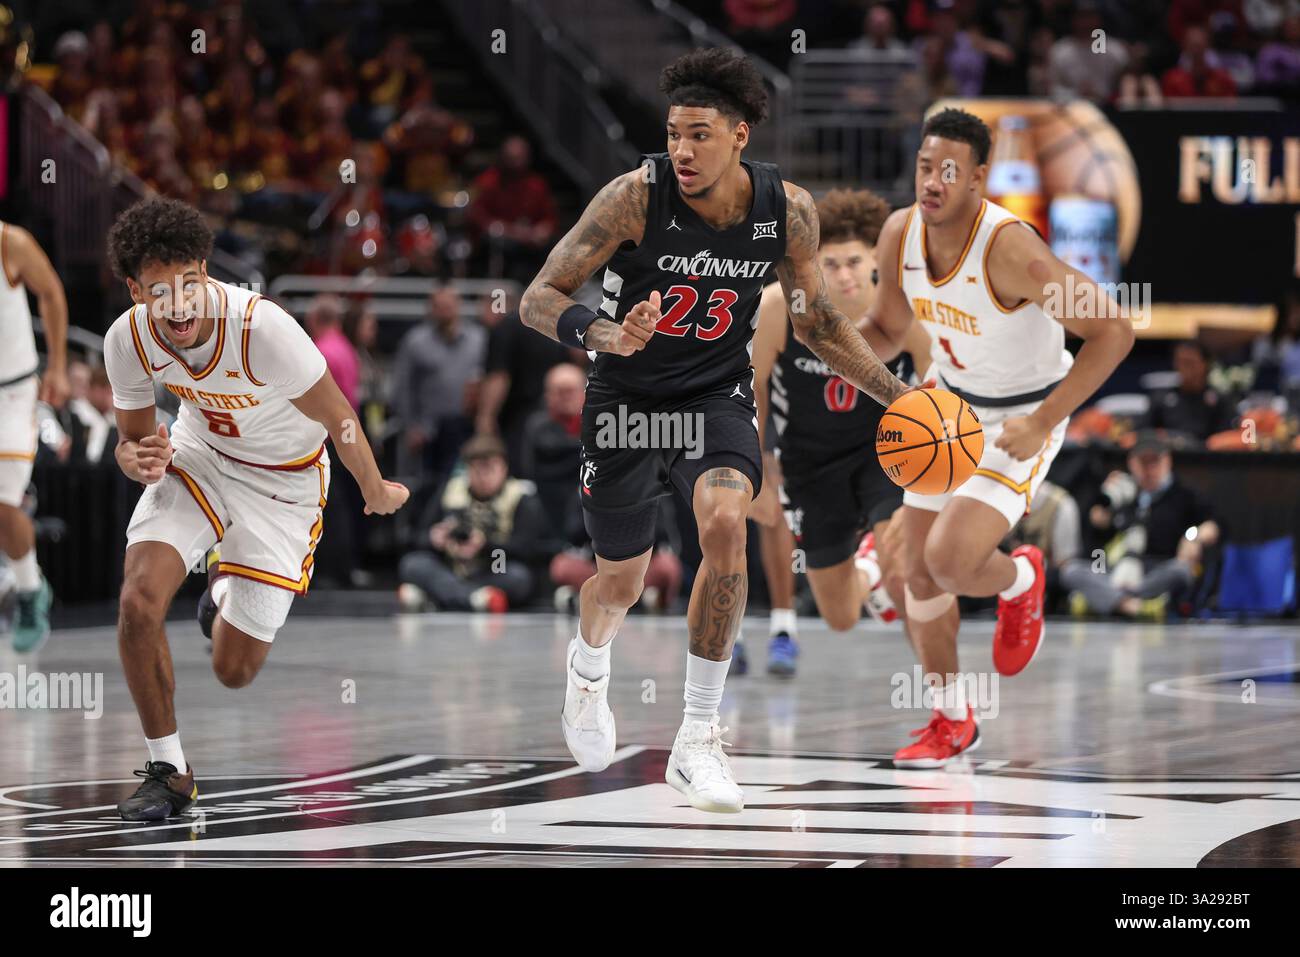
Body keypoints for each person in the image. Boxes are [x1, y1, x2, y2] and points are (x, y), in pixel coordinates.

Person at [519, 48, 914, 813]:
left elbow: (818, 322)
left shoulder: (787, 211)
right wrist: (603, 333)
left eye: (699, 135)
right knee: (621, 584)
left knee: (728, 524)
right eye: (673, 134)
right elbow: (539, 297)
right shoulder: (634, 198)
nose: (682, 150)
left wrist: (897, 396)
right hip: (626, 400)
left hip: (714, 396)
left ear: (740, 135)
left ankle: (698, 737)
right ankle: (589, 668)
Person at [102, 198, 408, 822]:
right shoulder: (126, 340)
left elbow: (341, 418)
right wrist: (135, 459)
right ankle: (170, 772)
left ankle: (221, 584)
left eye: (189, 282)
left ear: (206, 271)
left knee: (234, 670)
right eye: (160, 290)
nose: (179, 303)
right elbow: (133, 442)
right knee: (137, 600)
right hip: (200, 454)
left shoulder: (261, 328)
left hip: (283, 483)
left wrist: (374, 487)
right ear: (135, 291)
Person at [858, 108, 1133, 767]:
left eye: (949, 171)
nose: (933, 181)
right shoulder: (899, 233)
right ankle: (952, 719)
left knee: (951, 561)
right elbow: (888, 327)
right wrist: (823, 352)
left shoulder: (1010, 250)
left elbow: (1114, 330)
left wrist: (1042, 421)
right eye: (925, 167)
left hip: (1023, 415)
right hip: (949, 409)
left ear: (979, 178)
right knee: (916, 573)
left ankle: (1021, 578)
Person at [743, 187, 933, 678]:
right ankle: (867, 566)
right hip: (809, 463)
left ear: (875, 261)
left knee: (904, 572)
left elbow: (941, 389)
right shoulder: (778, 308)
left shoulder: (904, 310)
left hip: (887, 453)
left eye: (854, 262)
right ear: (813, 265)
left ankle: (946, 699)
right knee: (841, 616)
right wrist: (759, 468)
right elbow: (753, 388)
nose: (844, 275)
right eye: (831, 264)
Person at [0, 220, 68, 652]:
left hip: (12, 394)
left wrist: (58, 366)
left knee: (4, 504)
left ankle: (29, 590)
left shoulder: (10, 242)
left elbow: (51, 292)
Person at [1061, 433, 1217, 619]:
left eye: (1154, 462)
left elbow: (1212, 525)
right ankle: (1133, 606)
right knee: (1072, 570)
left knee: (1182, 570)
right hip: (1115, 569)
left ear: (1167, 461)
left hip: (1155, 569)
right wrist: (1101, 518)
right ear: (1132, 463)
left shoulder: (1184, 495)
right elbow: (1097, 548)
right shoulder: (1120, 492)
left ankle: (1104, 600)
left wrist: (1193, 537)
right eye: (1143, 462)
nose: (1149, 469)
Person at [397, 435, 554, 612]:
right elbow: (418, 536)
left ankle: (439, 597)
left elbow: (526, 549)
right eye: (477, 469)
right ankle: (475, 598)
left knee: (519, 577)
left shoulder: (519, 496)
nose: (484, 477)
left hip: (493, 566)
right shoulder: (451, 490)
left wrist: (485, 546)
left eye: (490, 469)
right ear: (467, 469)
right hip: (451, 566)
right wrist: (434, 539)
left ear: (504, 468)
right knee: (412, 564)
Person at [390, 285, 485, 487]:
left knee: (465, 485)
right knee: (428, 487)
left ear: (458, 305)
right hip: (428, 431)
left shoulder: (478, 340)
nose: (444, 311)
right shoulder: (415, 342)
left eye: (448, 306)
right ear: (430, 308)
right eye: (439, 306)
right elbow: (403, 387)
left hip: (467, 428)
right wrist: (411, 425)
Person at [1147, 340, 1236, 442]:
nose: (1184, 368)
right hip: (1169, 449)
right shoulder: (1162, 398)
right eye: (1180, 362)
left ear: (1205, 364)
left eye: (1190, 363)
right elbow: (1144, 432)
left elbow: (1229, 436)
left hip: (1207, 450)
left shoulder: (1220, 401)